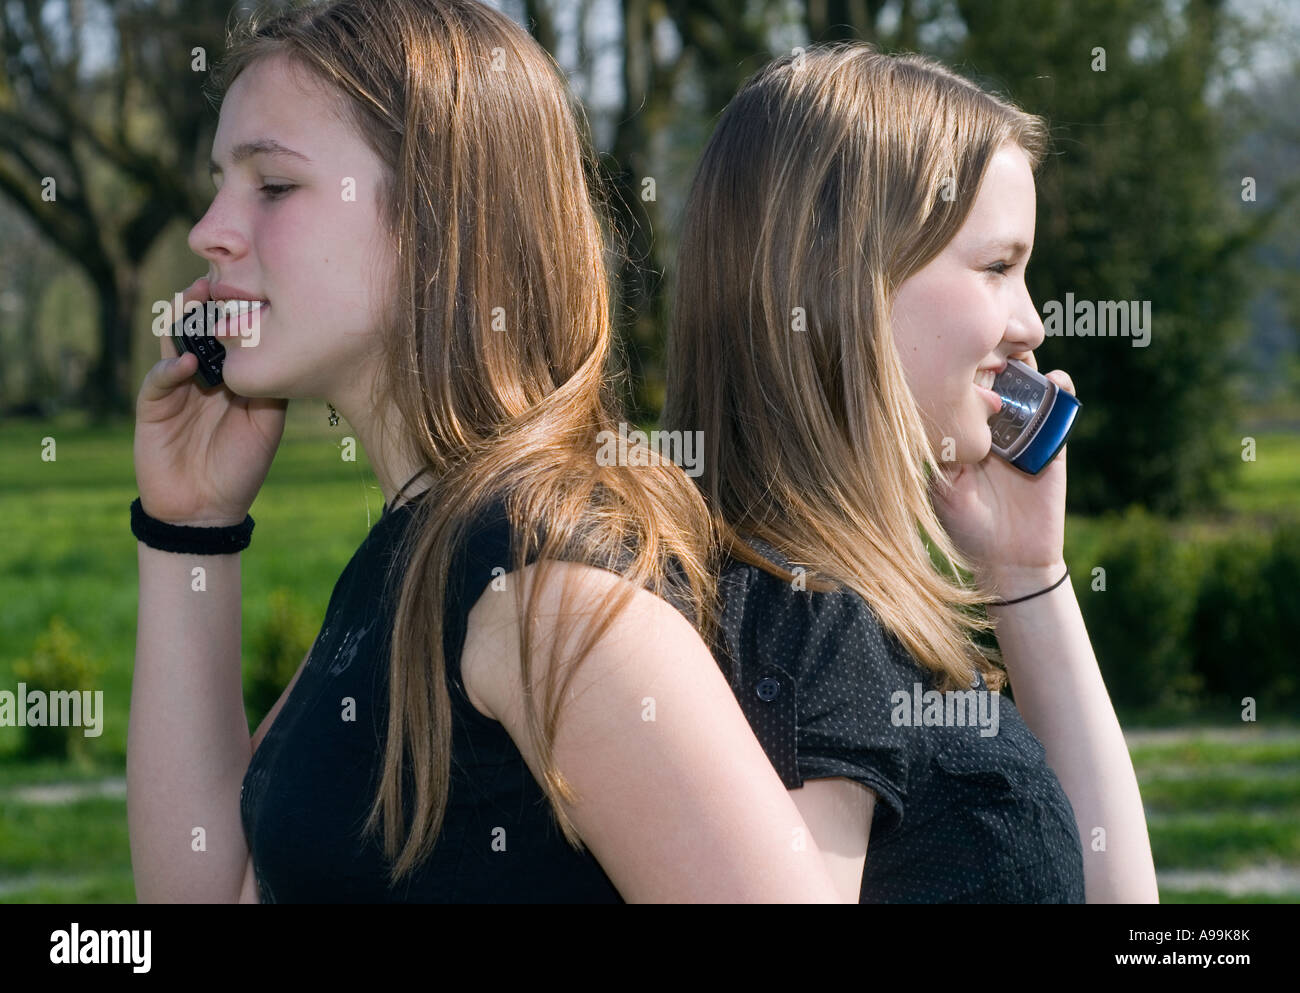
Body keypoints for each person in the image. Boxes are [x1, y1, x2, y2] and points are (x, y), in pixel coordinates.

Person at [127, 0, 841, 903]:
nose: (209, 230)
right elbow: (208, 889)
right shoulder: (414, 550)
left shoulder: (541, 585)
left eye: (271, 185)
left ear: (438, 219)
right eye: (220, 183)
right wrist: (188, 527)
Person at [664, 42, 1159, 903]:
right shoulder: (805, 622)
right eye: (999, 266)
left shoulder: (815, 600)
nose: (1032, 324)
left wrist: (1024, 568)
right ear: (849, 282)